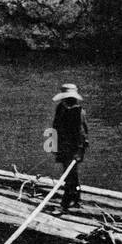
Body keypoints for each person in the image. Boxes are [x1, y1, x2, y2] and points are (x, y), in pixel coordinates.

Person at [51, 82, 88, 212]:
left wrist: (79, 152)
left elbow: (82, 133)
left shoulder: (79, 112)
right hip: (63, 147)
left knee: (70, 176)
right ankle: (77, 199)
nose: (69, 100)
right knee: (72, 175)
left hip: (74, 149)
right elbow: (55, 127)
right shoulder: (60, 108)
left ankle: (65, 205)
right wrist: (53, 145)